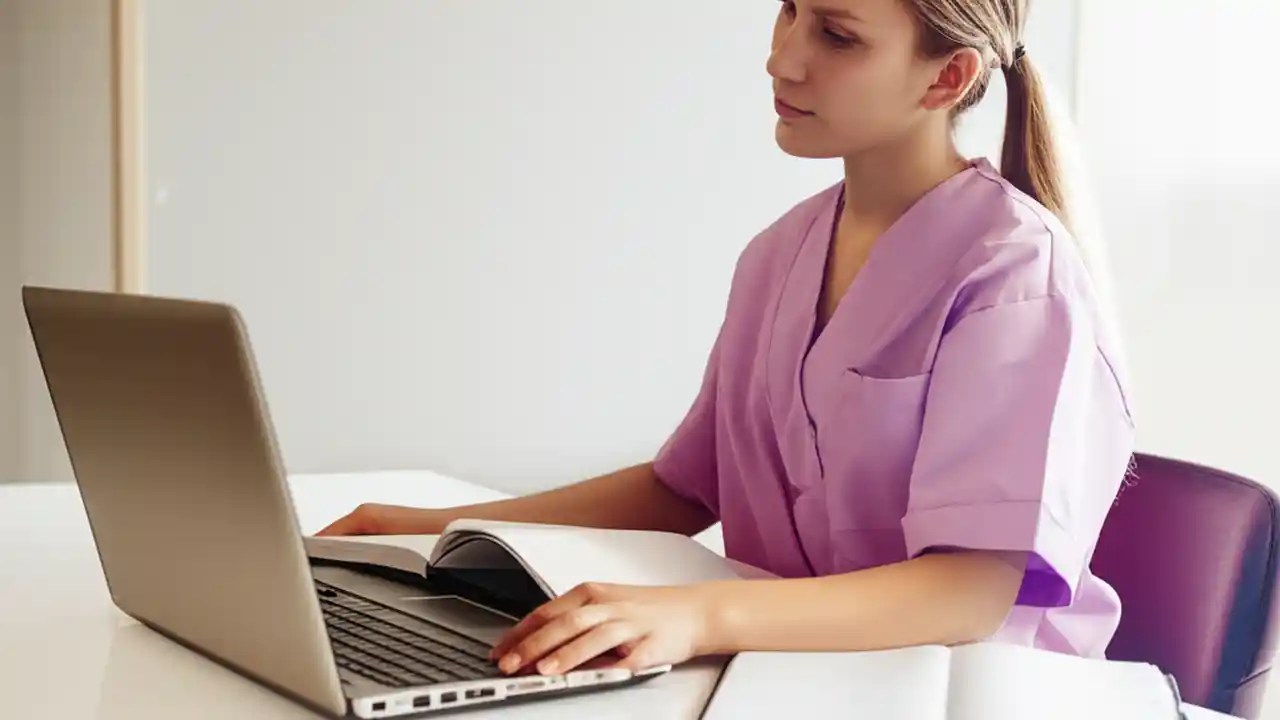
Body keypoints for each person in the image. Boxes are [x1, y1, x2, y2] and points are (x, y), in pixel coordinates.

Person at [317, 0, 1135, 679]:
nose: (783, 59)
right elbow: (685, 488)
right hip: (777, 669)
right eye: (787, 11)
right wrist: (433, 525)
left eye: (836, 34)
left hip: (960, 684)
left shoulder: (1014, 274)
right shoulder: (780, 252)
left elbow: (969, 592)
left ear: (947, 77)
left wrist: (698, 615)